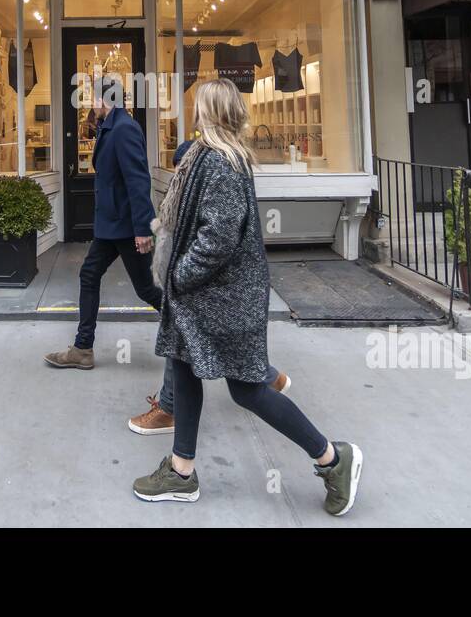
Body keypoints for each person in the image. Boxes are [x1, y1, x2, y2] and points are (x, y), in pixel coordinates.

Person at [132, 78, 363, 516]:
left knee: (248, 390)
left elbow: (217, 238)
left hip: (223, 299)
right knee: (183, 367)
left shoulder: (221, 162)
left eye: (200, 106)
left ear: (212, 112)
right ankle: (181, 471)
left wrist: (180, 274)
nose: (194, 111)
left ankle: (332, 458)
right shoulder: (211, 155)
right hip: (207, 299)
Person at [127, 136, 288, 435]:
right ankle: (269, 377)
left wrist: (178, 278)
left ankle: (170, 412)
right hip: (208, 290)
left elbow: (215, 243)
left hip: (205, 290)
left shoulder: (213, 184)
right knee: (203, 353)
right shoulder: (203, 185)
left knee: (214, 365)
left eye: (181, 170)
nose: (177, 177)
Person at [45, 74, 160, 369]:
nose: (91, 104)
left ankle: (191, 329)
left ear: (104, 100)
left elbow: (138, 180)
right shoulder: (111, 126)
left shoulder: (124, 129)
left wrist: (142, 229)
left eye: (94, 98)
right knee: (89, 274)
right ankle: (83, 348)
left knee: (146, 289)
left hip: (125, 226)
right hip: (111, 225)